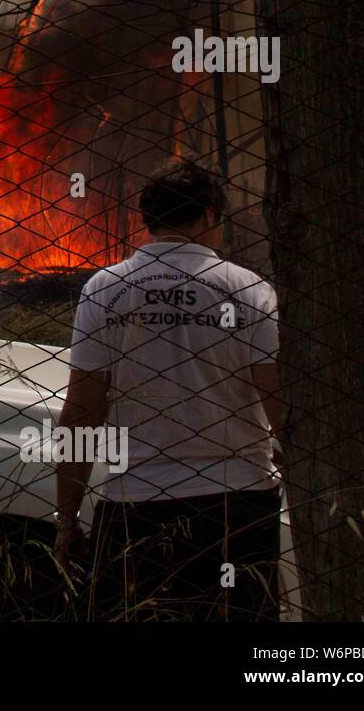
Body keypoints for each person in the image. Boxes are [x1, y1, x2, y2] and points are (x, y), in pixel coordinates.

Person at [54, 161, 287, 621]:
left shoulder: (105, 289)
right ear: (207, 216)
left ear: (148, 220)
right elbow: (277, 402)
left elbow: (81, 412)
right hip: (237, 503)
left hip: (138, 505)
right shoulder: (249, 290)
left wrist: (66, 519)